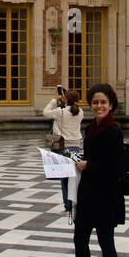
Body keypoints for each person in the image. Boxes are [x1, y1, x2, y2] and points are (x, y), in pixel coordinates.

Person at [56, 83, 125, 257]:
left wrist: (89, 166)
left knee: (106, 244)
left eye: (103, 102)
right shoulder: (91, 128)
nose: (99, 106)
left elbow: (115, 167)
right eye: (95, 102)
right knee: (79, 240)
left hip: (106, 197)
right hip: (87, 195)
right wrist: (75, 162)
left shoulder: (114, 130)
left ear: (111, 104)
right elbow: (92, 156)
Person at [42, 86, 84, 222]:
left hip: (63, 147)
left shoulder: (60, 112)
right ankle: (75, 204)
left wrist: (54, 100)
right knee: (74, 179)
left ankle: (68, 206)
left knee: (64, 180)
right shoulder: (80, 112)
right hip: (76, 147)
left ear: (66, 99)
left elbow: (45, 113)